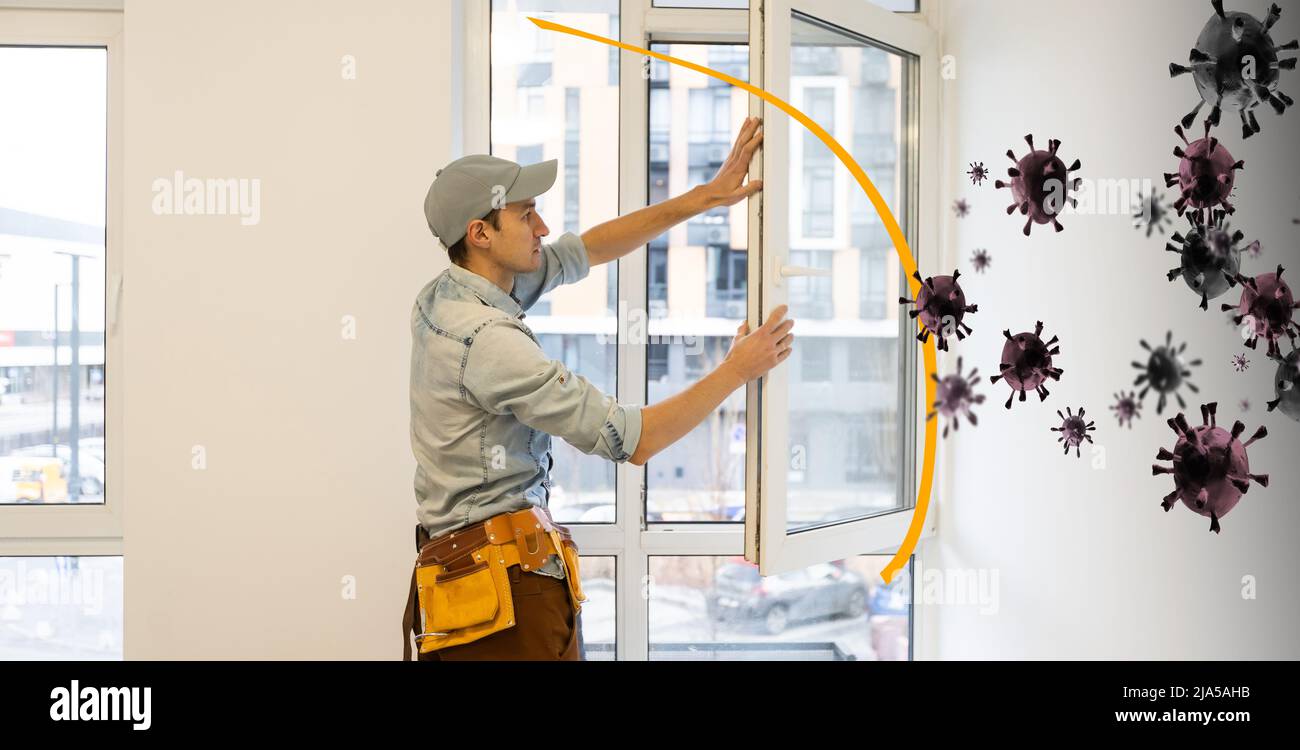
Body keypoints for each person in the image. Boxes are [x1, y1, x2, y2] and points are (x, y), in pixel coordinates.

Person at [405, 116, 793, 660]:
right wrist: (736, 370)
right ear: (481, 234)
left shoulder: (448, 294)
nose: (541, 228)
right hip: (502, 603)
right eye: (525, 215)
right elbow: (633, 440)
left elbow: (585, 249)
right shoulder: (486, 341)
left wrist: (703, 198)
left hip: (469, 580)